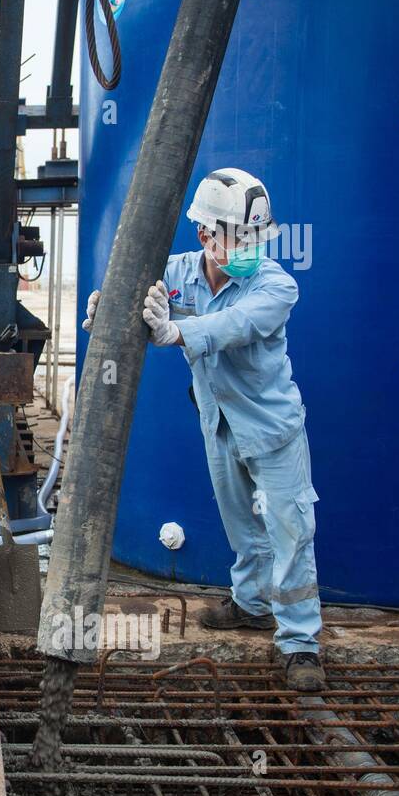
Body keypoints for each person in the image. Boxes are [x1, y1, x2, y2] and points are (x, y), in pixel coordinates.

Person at [84, 168, 324, 691]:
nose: (249, 247)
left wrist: (174, 331)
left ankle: (301, 642)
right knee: (243, 526)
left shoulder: (276, 285)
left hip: (272, 429)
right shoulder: (179, 272)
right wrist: (111, 305)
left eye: (255, 237)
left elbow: (232, 327)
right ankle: (252, 604)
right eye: (239, 237)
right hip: (218, 424)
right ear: (205, 235)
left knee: (291, 531)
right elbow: (132, 285)